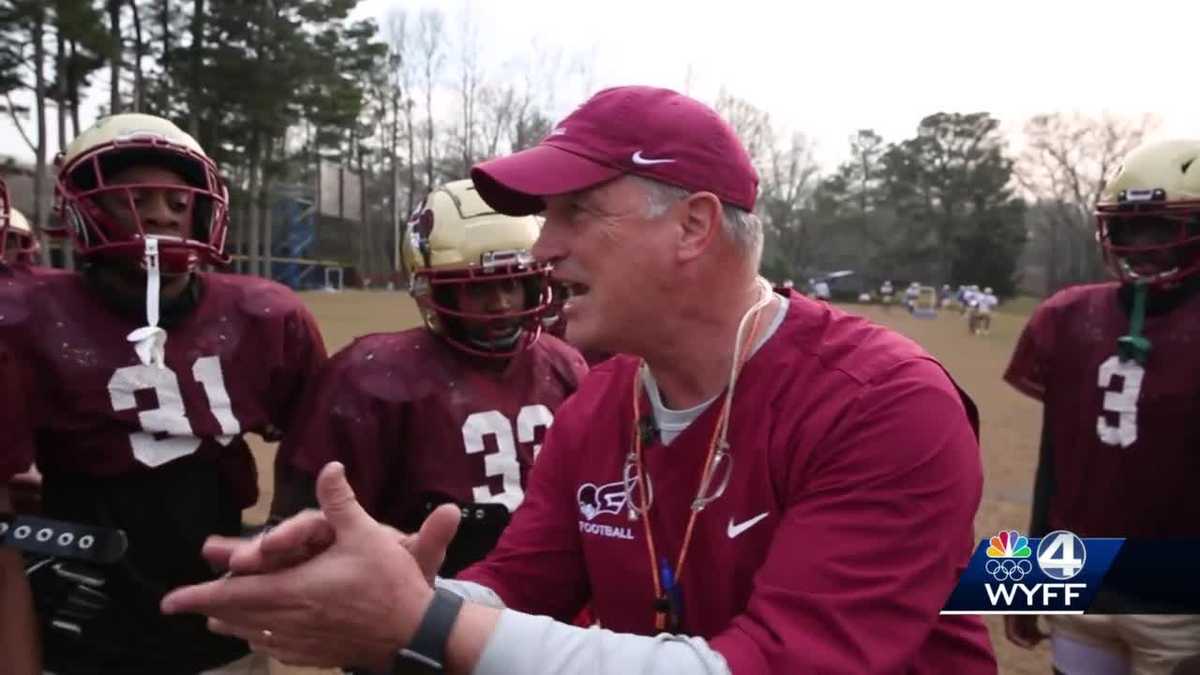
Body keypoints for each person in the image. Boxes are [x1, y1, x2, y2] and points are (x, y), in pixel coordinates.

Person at [161, 85, 996, 674]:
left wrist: (424, 617)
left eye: (575, 212)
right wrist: (391, 580)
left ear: (694, 226)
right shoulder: (601, 397)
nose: (538, 250)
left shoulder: (882, 402)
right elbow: (522, 585)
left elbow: (773, 666)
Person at [0, 112, 327, 675]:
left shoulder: (266, 317)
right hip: (81, 613)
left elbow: (319, 458)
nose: (159, 214)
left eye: (178, 202)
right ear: (83, 209)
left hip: (221, 615)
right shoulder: (26, 319)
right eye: (136, 198)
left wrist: (278, 546)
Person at [271, 178, 588, 577]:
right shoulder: (371, 376)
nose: (501, 304)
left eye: (511, 282)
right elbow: (313, 522)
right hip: (419, 598)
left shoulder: (563, 364)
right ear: (435, 291)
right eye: (480, 288)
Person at [1003, 139, 1200, 675]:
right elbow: (1053, 463)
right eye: (1130, 226)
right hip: (1080, 577)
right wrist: (1028, 583)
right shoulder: (1066, 316)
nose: (1141, 243)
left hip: (1180, 595)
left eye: (1162, 226)